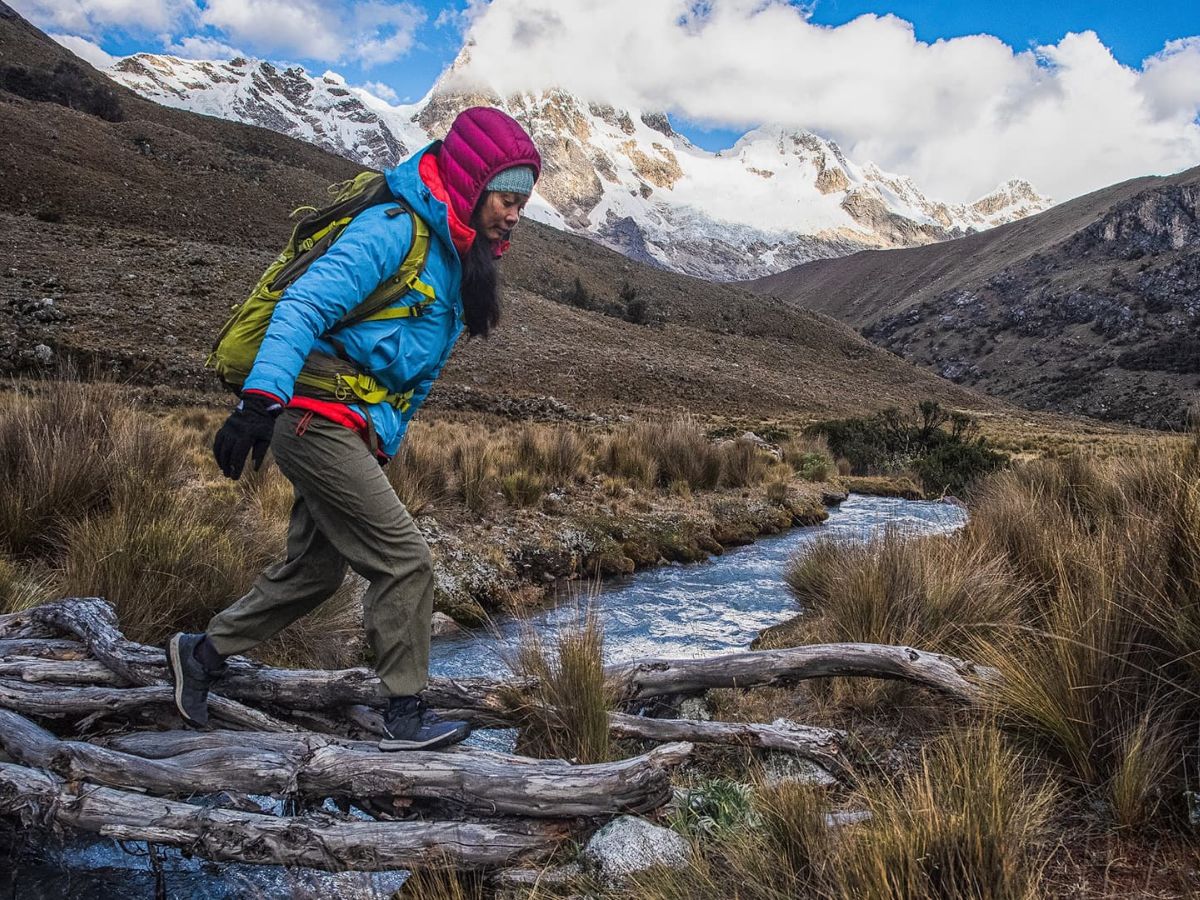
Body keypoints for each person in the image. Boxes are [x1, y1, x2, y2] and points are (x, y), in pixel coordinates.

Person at [167, 107, 541, 750]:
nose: (513, 215)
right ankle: (404, 715)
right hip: (312, 417)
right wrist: (258, 403)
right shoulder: (394, 230)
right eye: (506, 199)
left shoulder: (453, 257)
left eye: (522, 204)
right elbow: (303, 305)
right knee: (406, 562)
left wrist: (382, 442)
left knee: (315, 574)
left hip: (352, 425)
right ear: (473, 183)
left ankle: (199, 656)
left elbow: (412, 372)